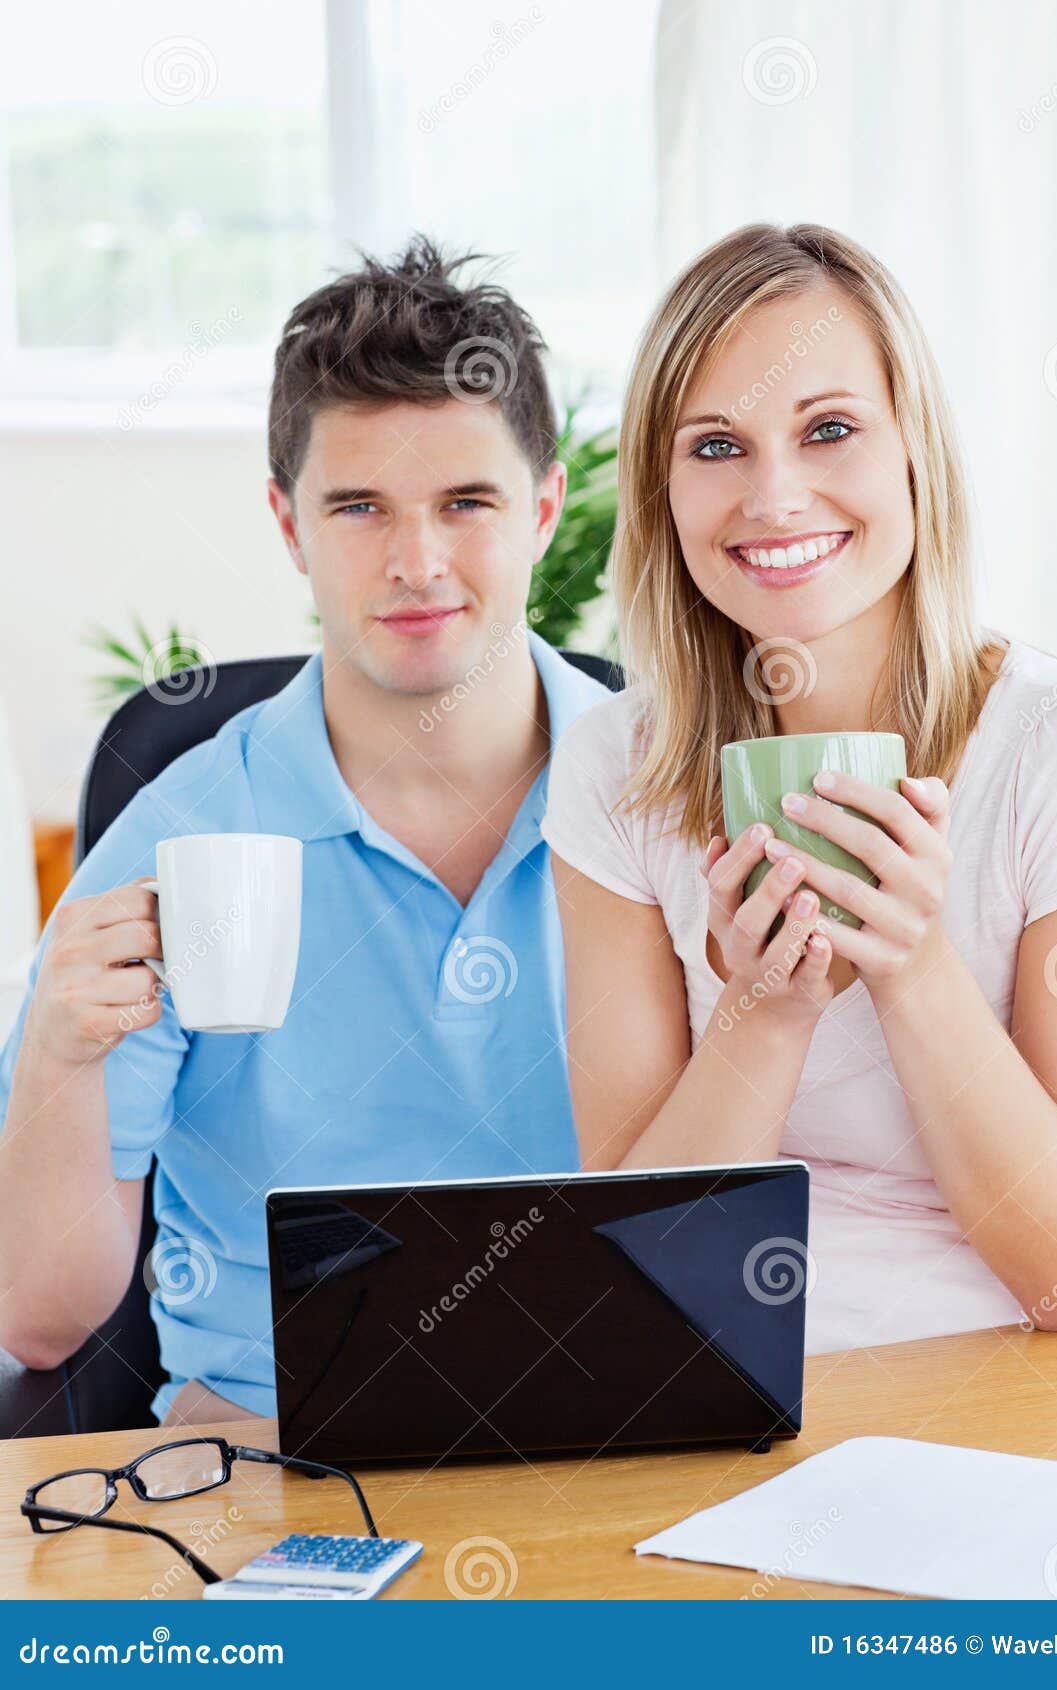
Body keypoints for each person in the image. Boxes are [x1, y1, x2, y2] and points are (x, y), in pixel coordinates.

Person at [541, 222, 1057, 1354]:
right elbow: (634, 1255)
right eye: (715, 447)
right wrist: (764, 1015)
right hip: (709, 1372)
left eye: (828, 430)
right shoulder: (617, 767)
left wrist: (910, 965)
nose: (774, 495)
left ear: (912, 455)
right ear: (664, 490)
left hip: (996, 1376)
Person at [0, 237, 609, 1424]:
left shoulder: (667, 798)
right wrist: (63, 1062)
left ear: (542, 509)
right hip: (264, 1444)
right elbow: (38, 1319)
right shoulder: (177, 833)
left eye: (466, 503)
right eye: (359, 507)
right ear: (290, 526)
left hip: (614, 1424)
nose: (416, 561)